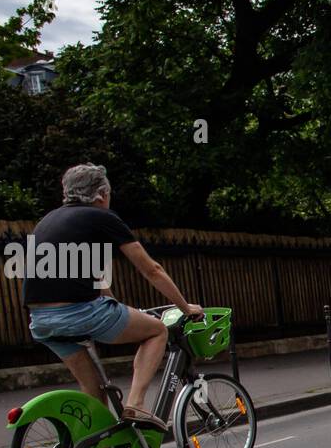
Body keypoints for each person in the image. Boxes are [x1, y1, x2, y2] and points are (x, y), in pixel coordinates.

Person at [24, 164, 203, 423]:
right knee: (157, 331)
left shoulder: (47, 221)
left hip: (41, 321)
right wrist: (186, 308)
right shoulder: (101, 217)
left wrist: (115, 305)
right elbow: (151, 270)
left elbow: (95, 277)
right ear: (101, 194)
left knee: (94, 391)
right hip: (80, 313)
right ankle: (137, 404)